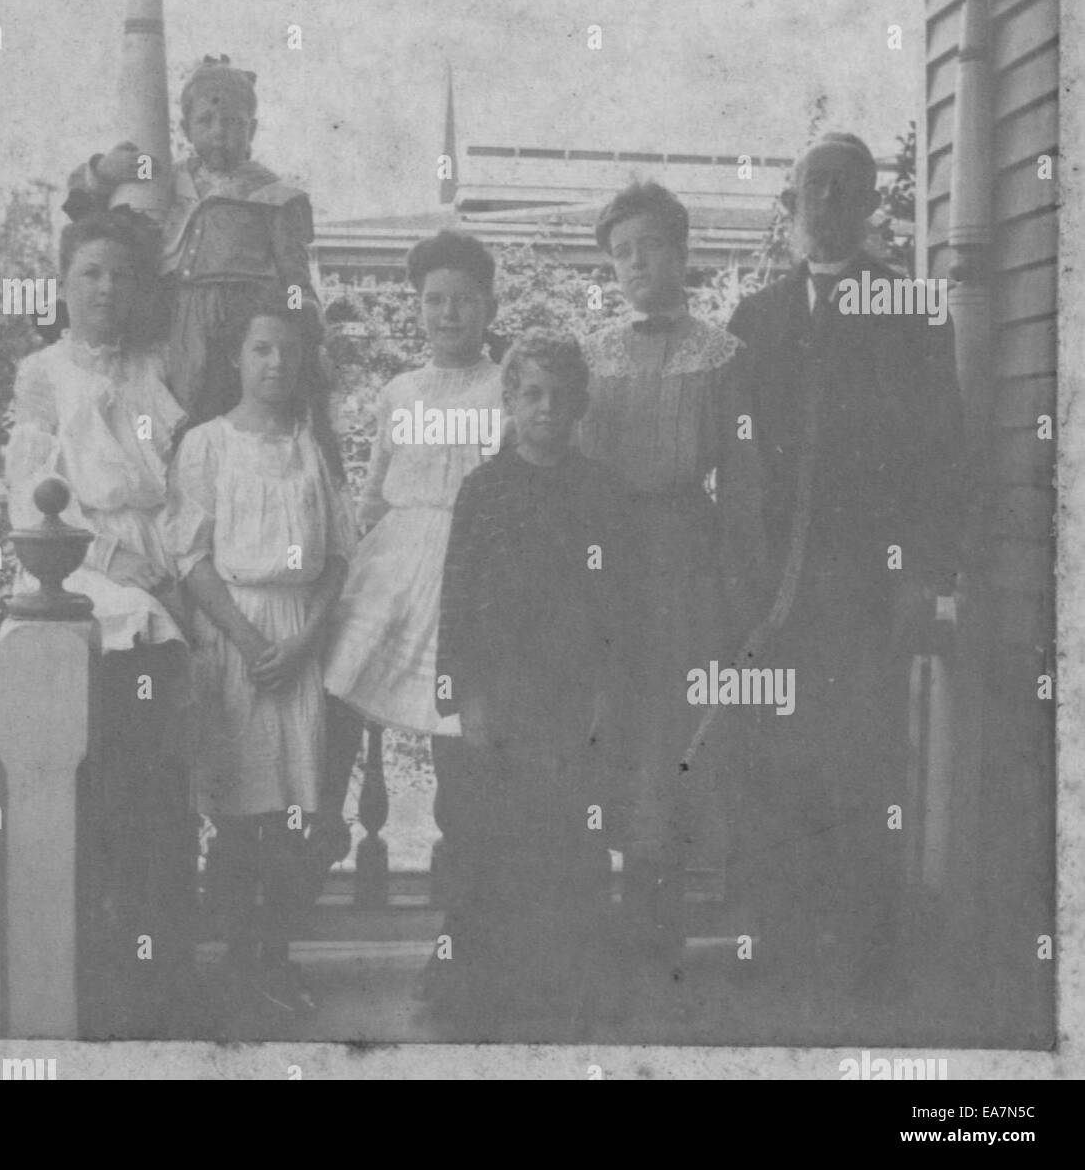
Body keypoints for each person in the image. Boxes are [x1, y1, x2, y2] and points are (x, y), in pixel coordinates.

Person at [726, 132, 964, 1031]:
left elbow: (941, 452)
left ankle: (867, 953)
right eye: (807, 189)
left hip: (870, 583)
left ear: (868, 204)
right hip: (774, 589)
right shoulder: (757, 319)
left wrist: (923, 580)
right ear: (789, 202)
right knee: (775, 759)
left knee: (864, 762)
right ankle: (779, 940)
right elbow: (737, 459)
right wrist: (739, 577)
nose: (821, 205)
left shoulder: (909, 308)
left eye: (841, 190)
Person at [4, 207, 194, 1040]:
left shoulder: (161, 368)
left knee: (158, 792)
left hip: (167, 586)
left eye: (121, 273)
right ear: (64, 286)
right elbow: (34, 496)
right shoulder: (45, 374)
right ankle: (94, 979)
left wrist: (173, 573)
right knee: (93, 788)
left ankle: (158, 985)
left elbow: (185, 485)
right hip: (84, 587)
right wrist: (122, 568)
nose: (107, 288)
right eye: (90, 273)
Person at [433, 330, 643, 1038]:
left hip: (575, 697)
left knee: (573, 840)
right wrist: (464, 696)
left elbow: (622, 607)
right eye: (532, 395)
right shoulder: (485, 489)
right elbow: (456, 600)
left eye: (560, 396)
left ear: (580, 404)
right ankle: (490, 990)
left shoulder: (603, 492)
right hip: (502, 692)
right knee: (491, 842)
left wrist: (610, 698)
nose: (546, 409)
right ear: (511, 402)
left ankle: (569, 988)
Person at [579, 181, 760, 995]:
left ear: (682, 253)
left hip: (689, 564)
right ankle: (613, 917)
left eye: (649, 246)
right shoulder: (596, 355)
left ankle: (665, 931)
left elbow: (747, 482)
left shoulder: (721, 356)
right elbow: (577, 472)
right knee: (615, 721)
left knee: (678, 735)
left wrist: (744, 588)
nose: (635, 264)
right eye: (621, 252)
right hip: (612, 560)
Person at [162, 291, 353, 1020]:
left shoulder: (313, 443)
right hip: (234, 638)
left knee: (298, 821)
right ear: (236, 358)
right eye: (261, 348)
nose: (276, 362)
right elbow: (190, 557)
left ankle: (276, 956)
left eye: (288, 349)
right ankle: (241, 966)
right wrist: (247, 642)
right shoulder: (207, 444)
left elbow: (338, 555)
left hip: (302, 642)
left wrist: (303, 644)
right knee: (240, 820)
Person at [317, 231, 503, 900]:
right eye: (434, 301)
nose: (447, 314)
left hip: (469, 565)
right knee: (335, 682)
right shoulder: (400, 391)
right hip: (395, 561)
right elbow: (375, 489)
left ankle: (466, 881)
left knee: (456, 720)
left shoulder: (506, 386)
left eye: (462, 300)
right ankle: (319, 831)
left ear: (488, 308)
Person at [64, 55, 320, 422]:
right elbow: (98, 204)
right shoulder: (164, 177)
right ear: (185, 127)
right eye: (206, 120)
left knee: (231, 414)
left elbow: (293, 273)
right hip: (172, 319)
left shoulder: (271, 194)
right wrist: (104, 172)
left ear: (253, 129)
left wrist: (298, 311)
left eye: (234, 122)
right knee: (168, 412)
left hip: (240, 322)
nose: (220, 131)